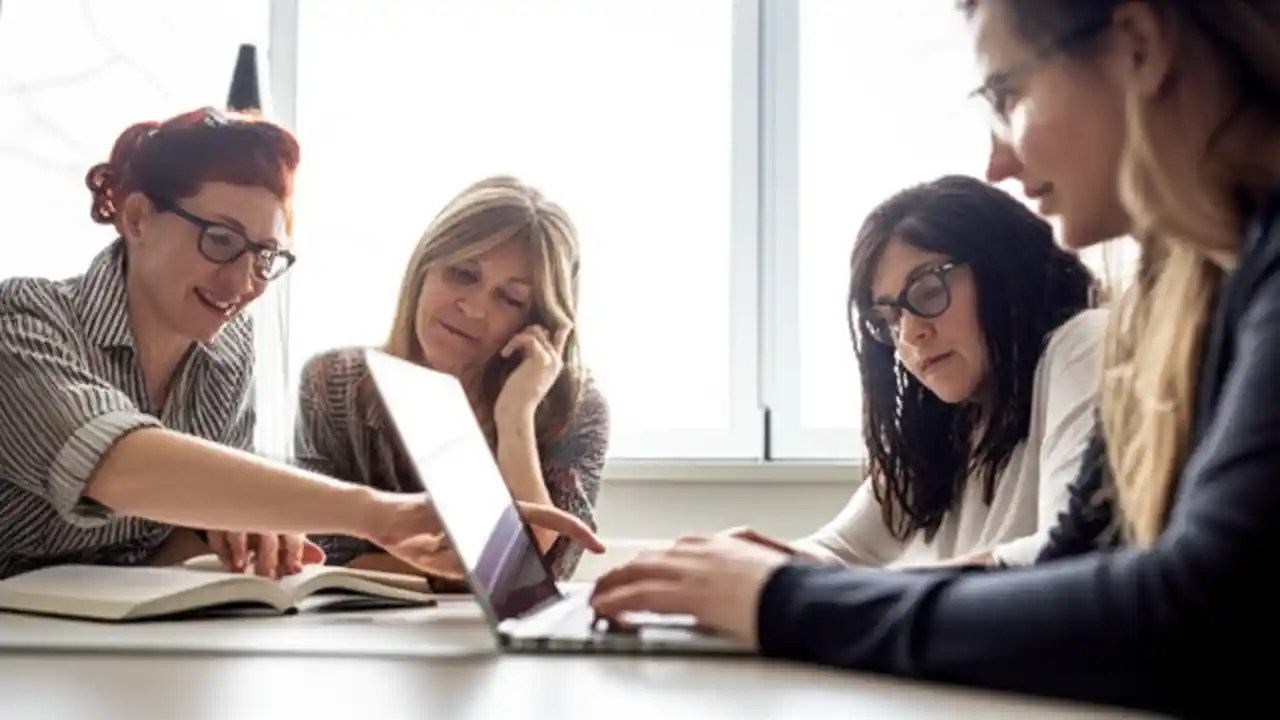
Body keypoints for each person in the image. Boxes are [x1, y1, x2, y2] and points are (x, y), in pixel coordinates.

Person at [588, 0, 1280, 714]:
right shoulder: (1188, 301)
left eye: (1010, 96)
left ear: (1138, 46)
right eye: (889, 317)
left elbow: (1194, 612)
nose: (998, 159)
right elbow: (1081, 556)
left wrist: (781, 598)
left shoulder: (1114, 332)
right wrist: (759, 581)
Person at [0, 108, 601, 581]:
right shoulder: (24, 320)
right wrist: (381, 513)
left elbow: (163, 543)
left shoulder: (225, 352)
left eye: (265, 257)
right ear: (136, 220)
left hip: (98, 638)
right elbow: (116, 464)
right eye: (219, 240)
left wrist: (228, 536)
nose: (241, 284)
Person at [729, 175, 1103, 570]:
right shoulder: (941, 424)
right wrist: (736, 564)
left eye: (927, 291)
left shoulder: (1082, 343)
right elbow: (839, 549)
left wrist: (874, 594)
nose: (909, 334)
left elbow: (1066, 551)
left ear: (1003, 267)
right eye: (889, 318)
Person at [295, 175, 608, 581]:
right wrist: (488, 567)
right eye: (463, 274)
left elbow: (547, 570)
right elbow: (327, 555)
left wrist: (515, 419)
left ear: (535, 321)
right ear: (425, 266)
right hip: (367, 631)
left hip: (499, 639)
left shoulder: (576, 409)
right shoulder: (332, 382)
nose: (475, 309)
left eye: (509, 298)